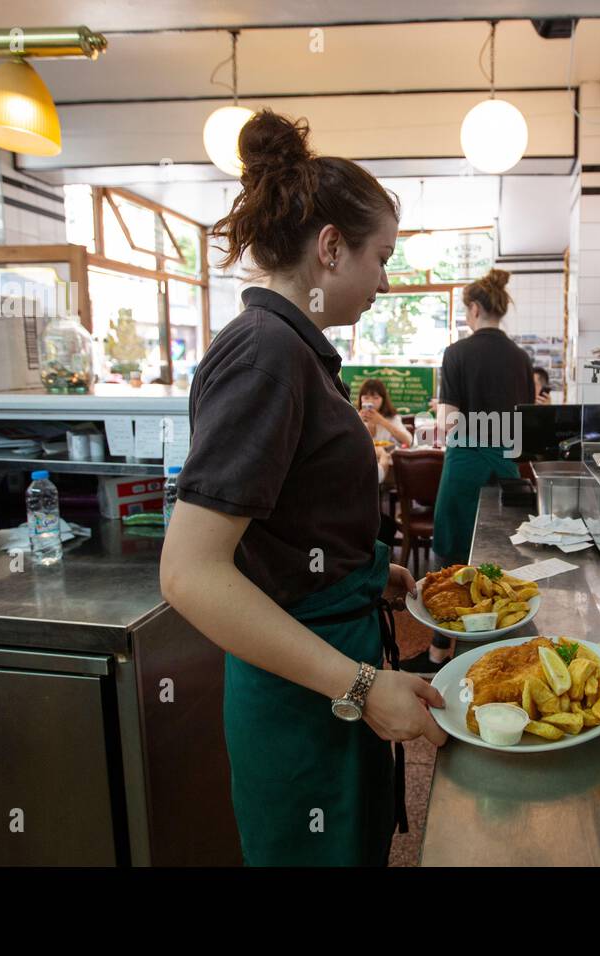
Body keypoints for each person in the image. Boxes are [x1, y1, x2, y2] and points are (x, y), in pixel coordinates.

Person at [159, 109, 446, 867]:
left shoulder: (296, 350)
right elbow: (191, 573)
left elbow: (286, 520)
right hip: (304, 689)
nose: (385, 281)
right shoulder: (265, 357)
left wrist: (359, 569)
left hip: (329, 660)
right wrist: (357, 684)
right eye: (380, 257)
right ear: (329, 248)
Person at [410, 269, 532, 674]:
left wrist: (440, 409)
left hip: (466, 464)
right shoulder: (520, 358)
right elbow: (525, 422)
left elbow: (449, 423)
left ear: (475, 309)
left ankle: (438, 654)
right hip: (507, 465)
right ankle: (494, 651)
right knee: (499, 559)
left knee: (452, 561)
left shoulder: (457, 353)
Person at [357, 378, 413, 446]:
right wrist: (357, 422)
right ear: (360, 399)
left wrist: (382, 421)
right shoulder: (355, 417)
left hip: (388, 454)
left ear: (383, 399)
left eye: (375, 398)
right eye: (366, 398)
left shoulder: (392, 418)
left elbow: (409, 441)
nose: (370, 402)